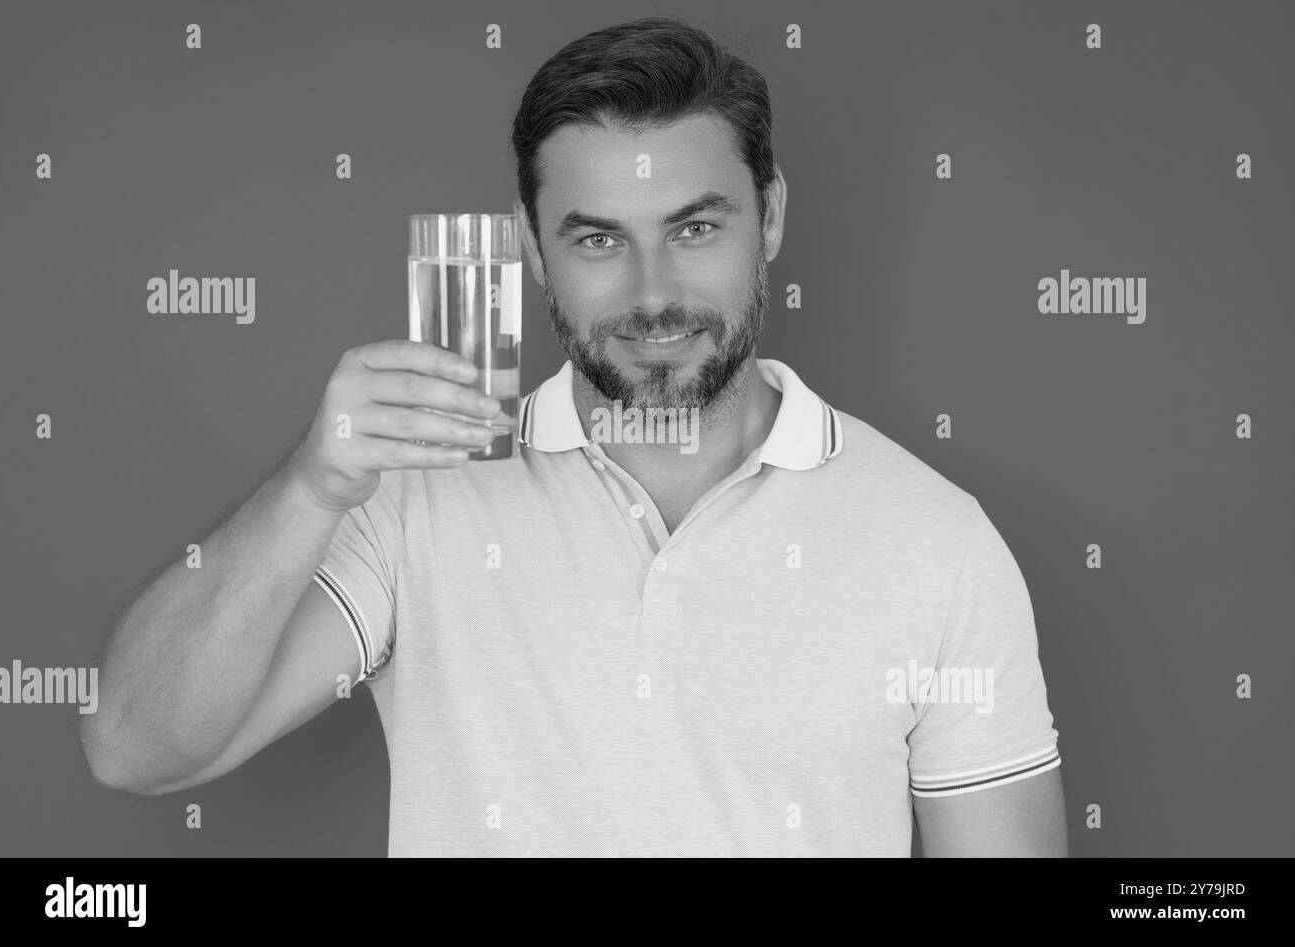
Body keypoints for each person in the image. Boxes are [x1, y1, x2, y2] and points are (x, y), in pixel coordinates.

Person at [81, 16, 1066, 857]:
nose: (650, 294)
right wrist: (309, 488)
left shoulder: (938, 542)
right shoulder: (417, 498)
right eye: (598, 238)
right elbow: (135, 746)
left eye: (693, 228)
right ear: (532, 247)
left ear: (768, 218)